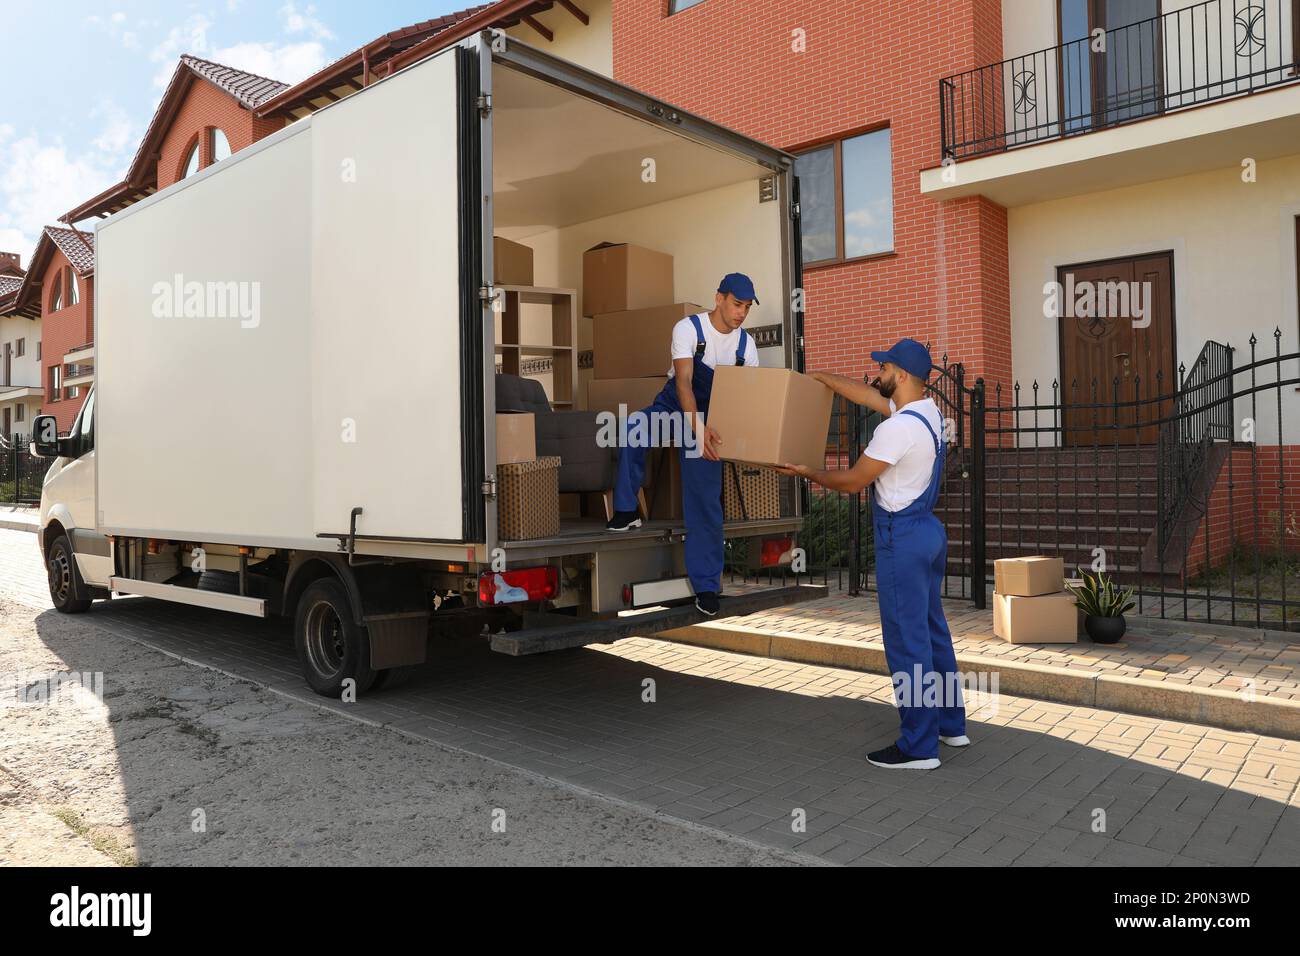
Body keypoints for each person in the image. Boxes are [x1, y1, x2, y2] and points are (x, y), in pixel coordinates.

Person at [776, 338, 967, 770]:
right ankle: (950, 725)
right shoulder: (930, 414)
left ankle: (919, 747)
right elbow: (866, 394)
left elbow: (851, 482)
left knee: (907, 641)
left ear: (900, 375)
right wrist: (824, 377)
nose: (875, 374)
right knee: (933, 631)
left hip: (902, 537)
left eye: (882, 367)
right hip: (929, 533)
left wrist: (808, 472)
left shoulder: (895, 429)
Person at [605, 273, 760, 616]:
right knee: (633, 426)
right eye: (737, 304)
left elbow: (744, 395)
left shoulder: (746, 346)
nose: (741, 313)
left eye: (747, 307)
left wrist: (718, 432)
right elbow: (685, 383)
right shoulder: (688, 328)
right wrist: (696, 426)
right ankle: (627, 510)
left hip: (716, 412)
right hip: (676, 403)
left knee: (704, 498)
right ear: (719, 298)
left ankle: (706, 587)